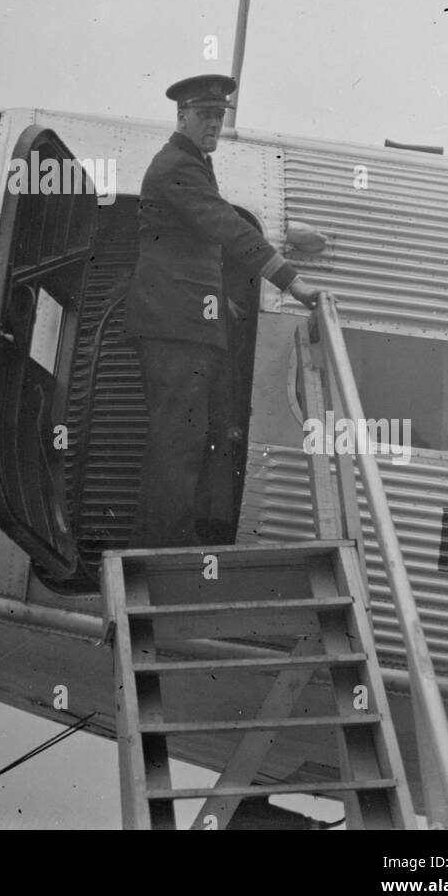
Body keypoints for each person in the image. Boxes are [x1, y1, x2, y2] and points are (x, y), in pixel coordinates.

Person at [123, 74, 320, 547]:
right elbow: (224, 225)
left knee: (187, 439)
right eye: (205, 115)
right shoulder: (177, 166)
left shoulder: (192, 163)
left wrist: (223, 300)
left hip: (187, 321)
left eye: (218, 116)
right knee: (179, 442)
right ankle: (158, 550)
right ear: (182, 116)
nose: (213, 124)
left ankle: (170, 540)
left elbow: (190, 246)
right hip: (176, 326)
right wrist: (291, 280)